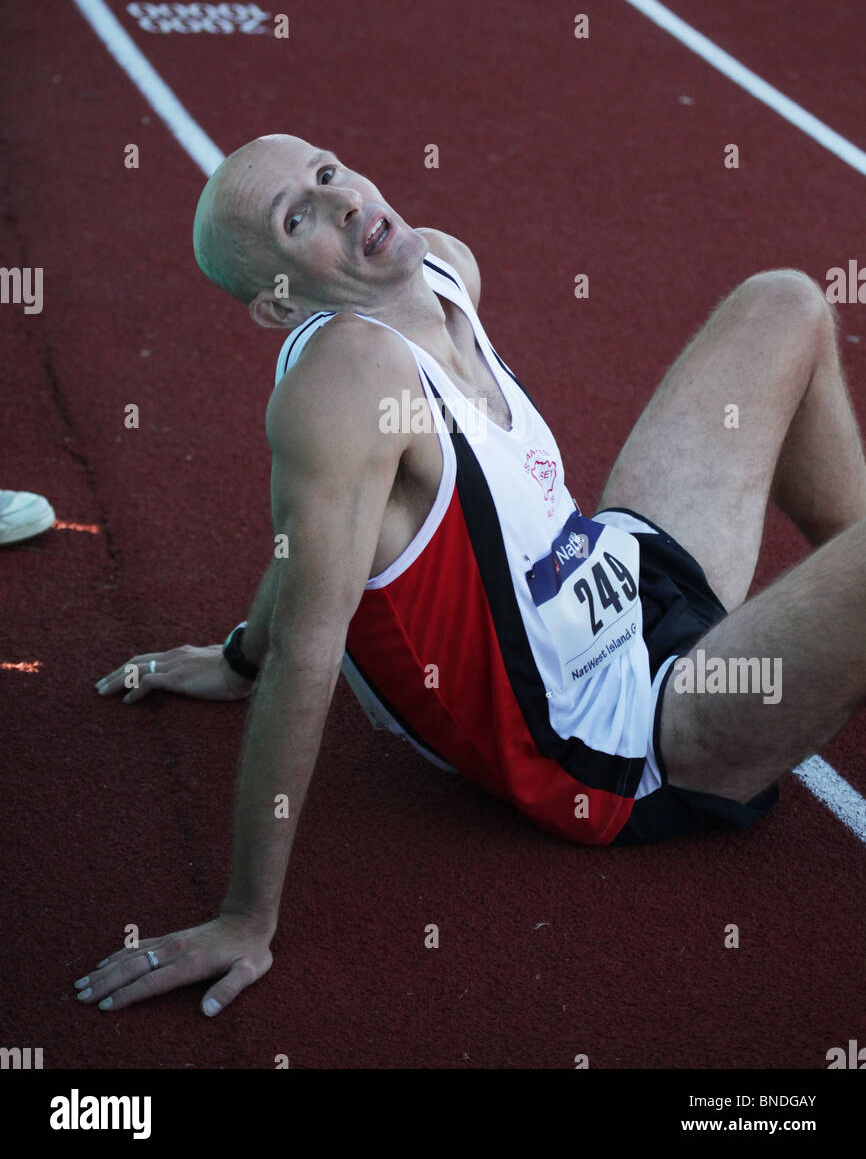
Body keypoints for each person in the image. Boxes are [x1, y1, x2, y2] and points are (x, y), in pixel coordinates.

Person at [77, 133, 866, 1019]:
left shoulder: (442, 265)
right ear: (278, 301)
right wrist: (244, 918)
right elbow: (312, 646)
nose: (341, 203)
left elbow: (314, 541)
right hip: (624, 737)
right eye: (296, 219)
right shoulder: (346, 382)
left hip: (624, 576)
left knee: (786, 303)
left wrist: (235, 655)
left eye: (328, 174)